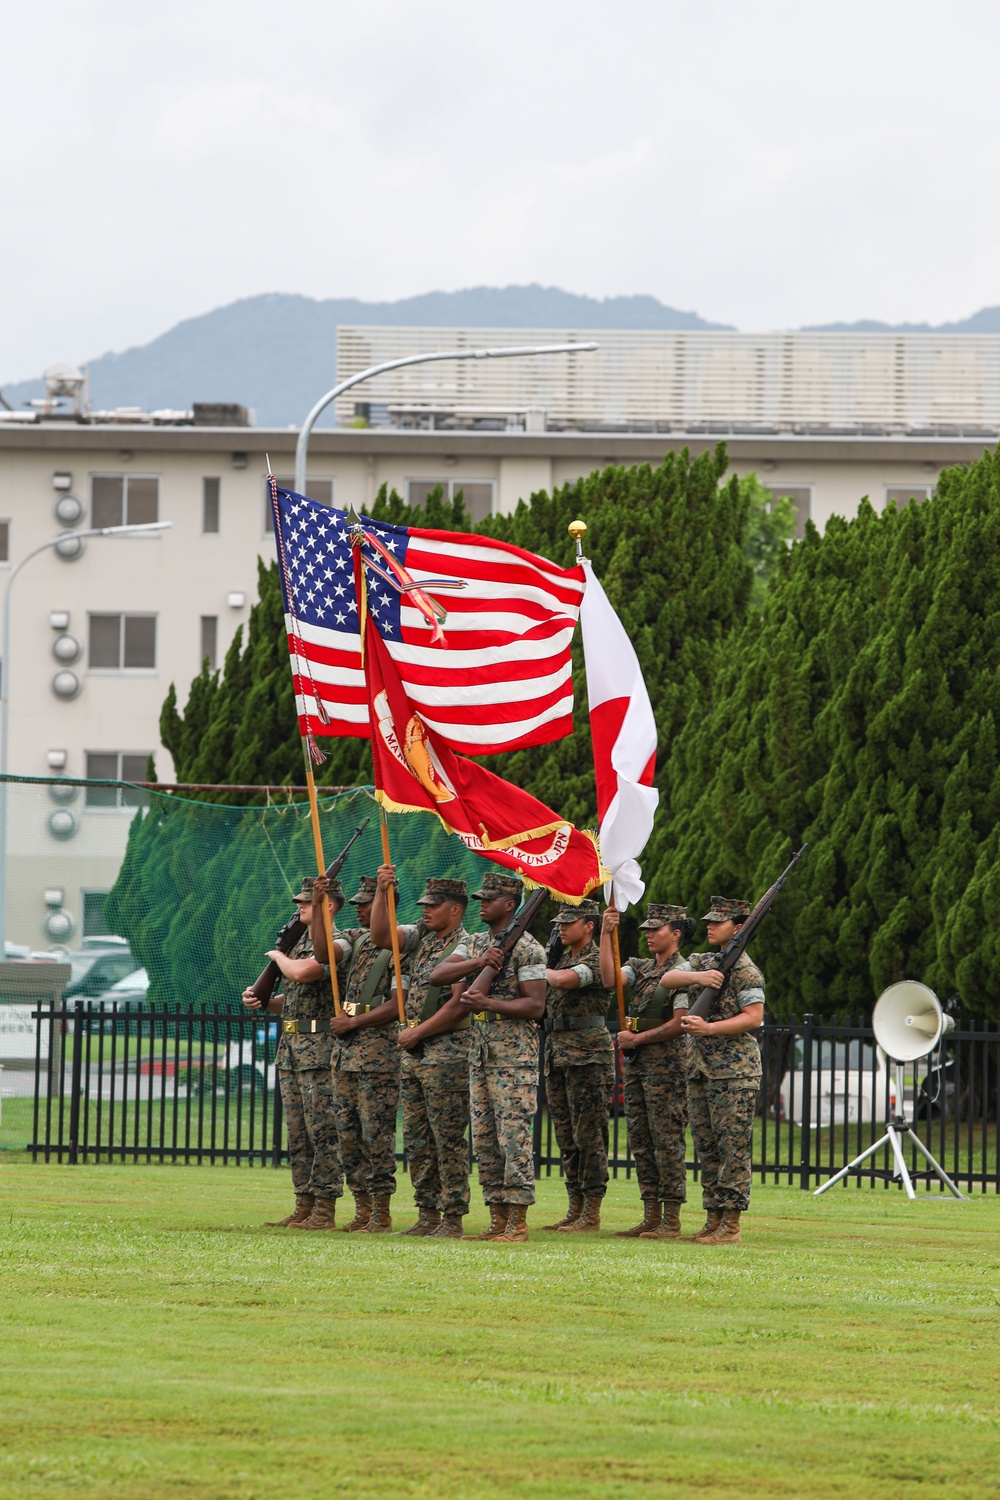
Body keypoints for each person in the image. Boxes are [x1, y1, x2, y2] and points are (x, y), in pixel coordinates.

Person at [429, 872, 547, 1243]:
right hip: (480, 1055)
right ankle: (497, 1219)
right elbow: (438, 974)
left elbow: (535, 1005)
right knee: (485, 1141)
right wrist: (479, 963)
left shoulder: (529, 948)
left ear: (510, 905)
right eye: (481, 898)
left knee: (513, 1139)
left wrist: (489, 1003)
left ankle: (518, 1223)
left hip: (514, 1058)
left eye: (489, 899)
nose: (481, 904)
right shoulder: (477, 943)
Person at [370, 867, 473, 1239]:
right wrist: (382, 891)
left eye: (434, 905)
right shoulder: (421, 938)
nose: (426, 910)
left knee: (447, 1138)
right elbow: (381, 936)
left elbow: (459, 1005)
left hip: (447, 1052)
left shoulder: (466, 946)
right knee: (416, 1138)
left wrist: (418, 1031)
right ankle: (427, 1213)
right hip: (414, 1053)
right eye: (424, 904)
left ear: (455, 909)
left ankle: (453, 1217)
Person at [658, 896, 765, 1245]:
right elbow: (668, 978)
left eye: (718, 922)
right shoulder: (704, 961)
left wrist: (710, 1028)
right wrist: (700, 976)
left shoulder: (746, 970)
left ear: (739, 927)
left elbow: (754, 1017)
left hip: (733, 1072)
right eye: (709, 920)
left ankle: (730, 1224)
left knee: (732, 1147)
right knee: (706, 1147)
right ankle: (713, 1218)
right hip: (701, 1069)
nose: (709, 926)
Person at [243, 876, 345, 1230]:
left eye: (306, 901)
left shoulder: (335, 944)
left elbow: (304, 974)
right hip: (291, 1050)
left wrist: (277, 956)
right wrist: (262, 1001)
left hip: (319, 1051)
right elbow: (293, 999)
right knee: (298, 1134)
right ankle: (303, 1203)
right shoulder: (299, 944)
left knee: (323, 1133)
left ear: (327, 906)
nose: (299, 905)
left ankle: (324, 1209)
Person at [311, 872, 401, 1235]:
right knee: (348, 1136)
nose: (360, 909)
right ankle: (362, 1209)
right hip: (346, 1054)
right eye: (359, 903)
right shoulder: (355, 939)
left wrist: (355, 1023)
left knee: (376, 1136)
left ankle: (381, 1212)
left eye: (368, 902)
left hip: (377, 1055)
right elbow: (323, 953)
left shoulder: (400, 944)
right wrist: (319, 908)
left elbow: (397, 1004)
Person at [599, 903, 695, 1239]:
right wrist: (605, 933)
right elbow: (609, 980)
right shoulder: (640, 967)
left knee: (666, 1141)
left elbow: (680, 1022)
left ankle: (671, 1218)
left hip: (667, 1068)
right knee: (640, 1140)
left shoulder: (683, 972)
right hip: (639, 1067)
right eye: (647, 930)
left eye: (657, 929)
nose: (649, 935)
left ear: (676, 933)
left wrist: (637, 1038)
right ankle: (651, 1214)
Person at [540, 898, 614, 1233]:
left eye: (569, 923)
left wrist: (535, 969)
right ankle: (575, 1206)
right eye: (559, 923)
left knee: (589, 1135)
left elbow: (564, 981)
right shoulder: (560, 958)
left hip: (587, 1056)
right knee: (566, 1135)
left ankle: (592, 1210)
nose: (561, 928)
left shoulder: (597, 959)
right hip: (557, 1054)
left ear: (589, 925)